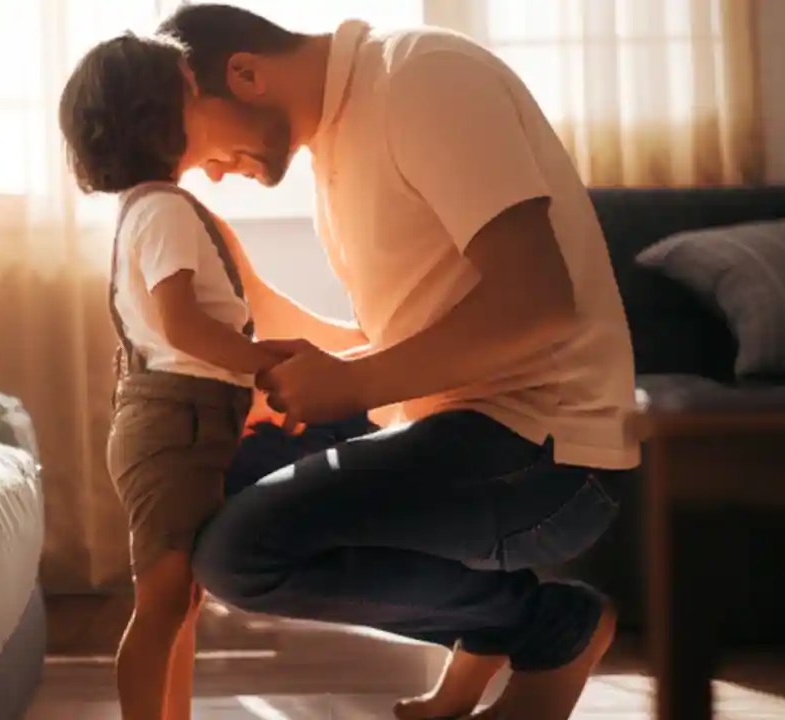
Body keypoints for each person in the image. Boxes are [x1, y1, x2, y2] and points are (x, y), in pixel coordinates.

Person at [156, 6, 641, 720]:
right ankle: (490, 633)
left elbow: (538, 305)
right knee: (218, 475)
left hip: (549, 457)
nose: (218, 177)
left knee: (240, 554)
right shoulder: (337, 148)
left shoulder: (421, 78)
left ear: (247, 74)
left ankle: (545, 628)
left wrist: (352, 383)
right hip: (469, 427)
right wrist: (256, 304)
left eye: (205, 153)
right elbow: (422, 338)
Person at [58, 33, 300, 720]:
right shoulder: (162, 209)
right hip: (173, 425)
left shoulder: (150, 207)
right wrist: (269, 363)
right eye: (193, 93)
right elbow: (181, 327)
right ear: (156, 115)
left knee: (181, 598)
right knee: (163, 598)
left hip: (185, 417)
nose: (207, 103)